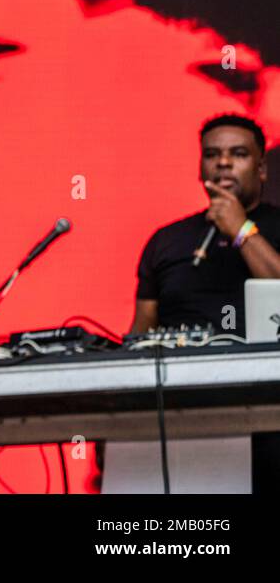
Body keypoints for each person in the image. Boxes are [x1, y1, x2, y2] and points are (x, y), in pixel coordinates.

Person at [116, 113, 280, 492]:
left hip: (269, 408)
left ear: (262, 168)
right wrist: (117, 423)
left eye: (238, 153)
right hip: (184, 413)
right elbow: (141, 332)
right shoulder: (167, 240)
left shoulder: (273, 226)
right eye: (212, 154)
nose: (222, 162)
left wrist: (241, 230)